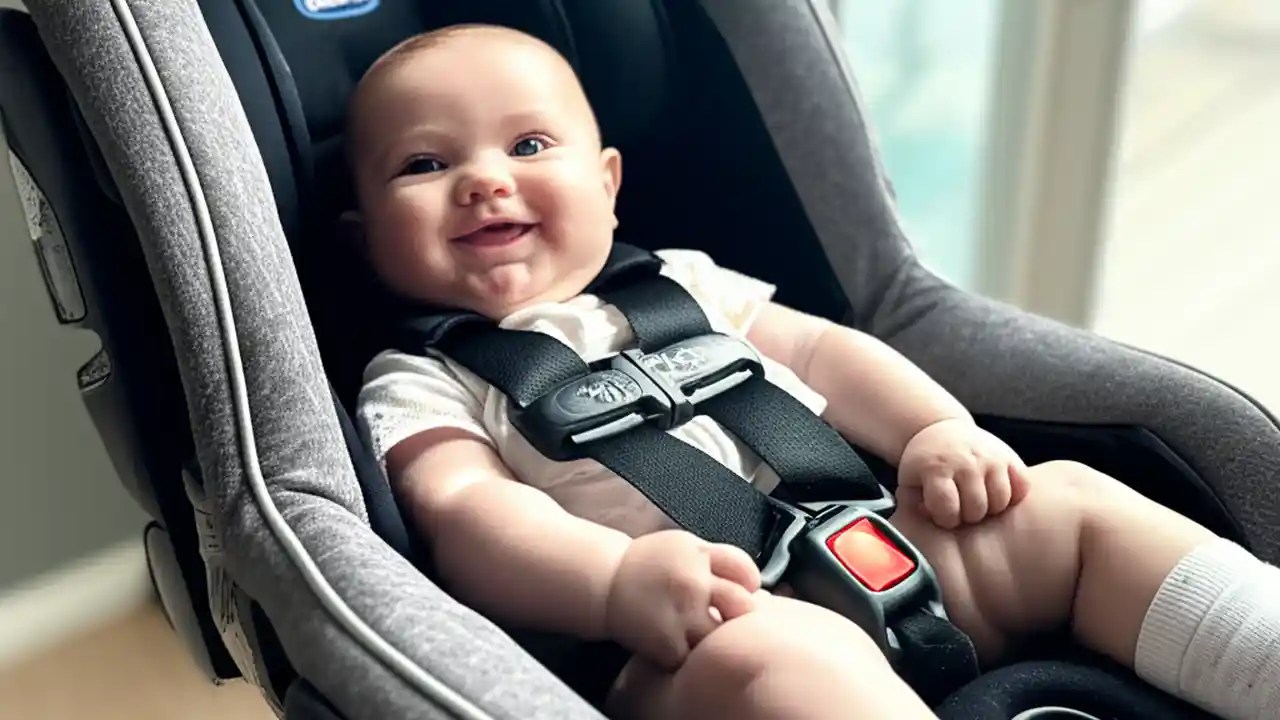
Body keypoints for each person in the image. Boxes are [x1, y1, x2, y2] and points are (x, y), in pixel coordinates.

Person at [346, 23, 1280, 720]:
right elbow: (469, 515)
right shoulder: (421, 379)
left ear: (609, 182)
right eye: (424, 164)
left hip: (878, 544)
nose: (484, 181)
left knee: (1072, 506)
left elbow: (830, 351)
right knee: (783, 665)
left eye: (529, 146)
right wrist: (613, 583)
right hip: (693, 635)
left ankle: (1258, 657)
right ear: (365, 236)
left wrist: (934, 430)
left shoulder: (683, 283)